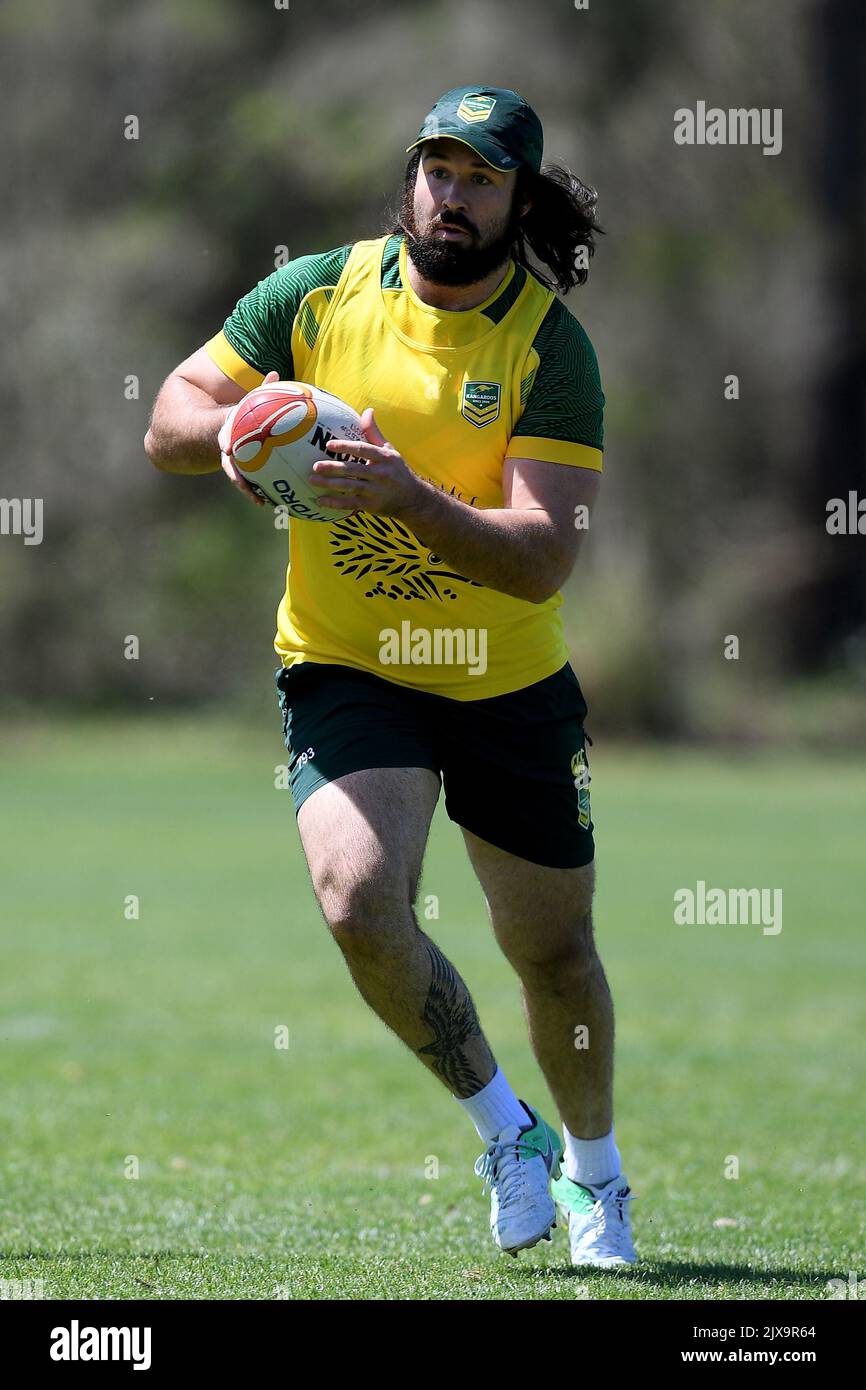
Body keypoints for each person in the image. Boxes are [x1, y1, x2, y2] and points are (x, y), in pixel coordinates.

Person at [144, 85, 636, 1266]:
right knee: (357, 902)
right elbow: (169, 413)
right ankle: (502, 1132)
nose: (448, 195)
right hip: (350, 663)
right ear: (408, 180)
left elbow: (540, 558)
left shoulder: (545, 348)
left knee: (553, 957)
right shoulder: (316, 290)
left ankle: (596, 1174)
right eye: (434, 169)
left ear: (516, 201)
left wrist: (404, 494)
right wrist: (251, 440)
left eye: (477, 178)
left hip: (504, 677)